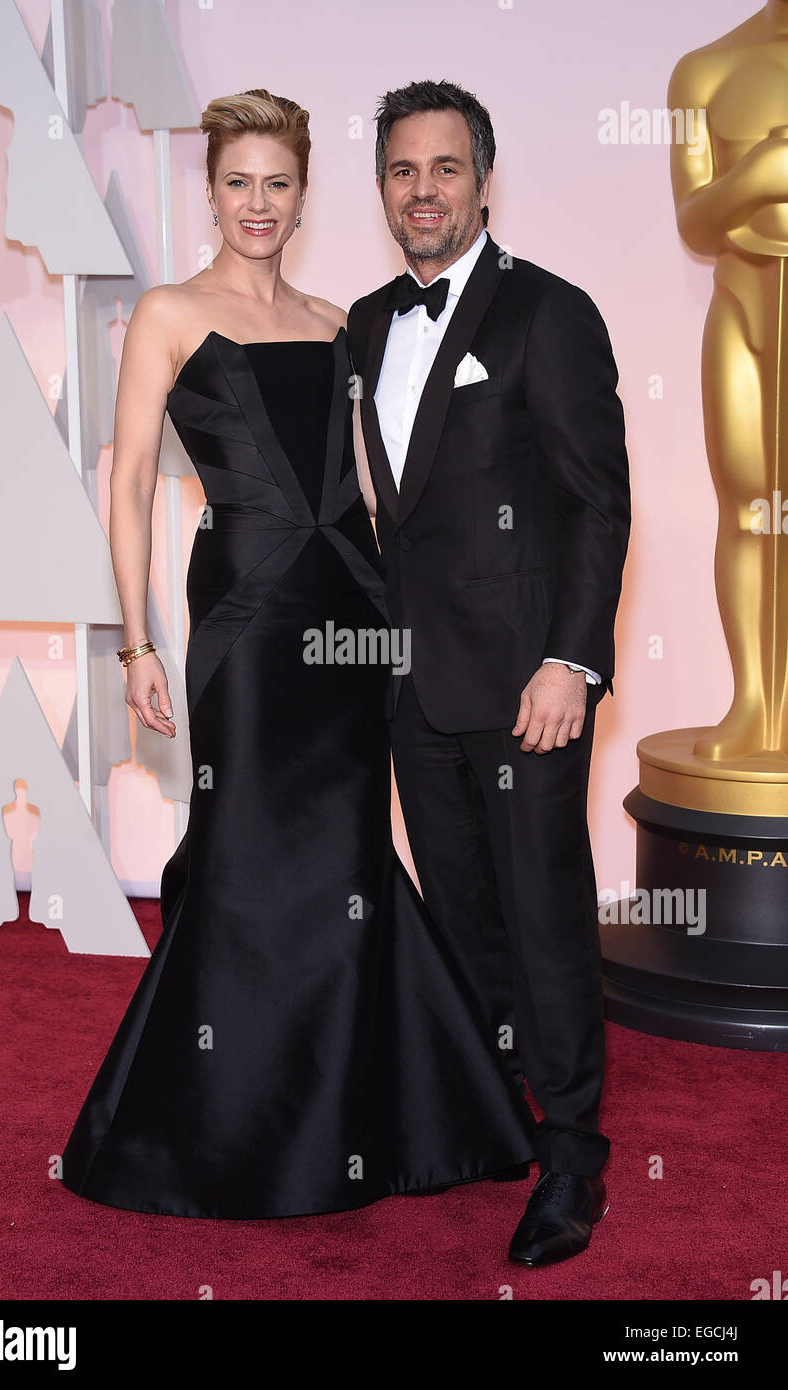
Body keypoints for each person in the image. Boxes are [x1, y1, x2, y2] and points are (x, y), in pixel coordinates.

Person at [59, 88, 534, 1220]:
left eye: (278, 184)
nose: (257, 204)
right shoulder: (168, 313)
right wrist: (134, 644)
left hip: (352, 608)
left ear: (305, 194)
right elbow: (125, 484)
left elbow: (373, 492)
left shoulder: (339, 321)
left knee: (348, 858)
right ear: (210, 190)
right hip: (247, 620)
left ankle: (349, 1123)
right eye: (237, 183)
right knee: (244, 852)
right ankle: (225, 1128)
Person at [347, 79, 631, 1265]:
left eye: (444, 168)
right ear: (383, 189)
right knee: (458, 910)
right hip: (415, 685)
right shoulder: (363, 323)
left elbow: (594, 502)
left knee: (544, 910)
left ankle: (571, 1151)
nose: (423, 189)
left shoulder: (547, 314)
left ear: (482, 177)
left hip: (526, 689)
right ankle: (485, 1109)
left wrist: (571, 658)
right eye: (403, 170)